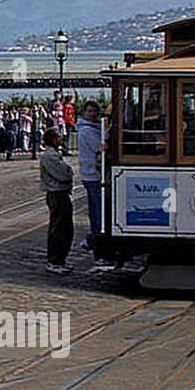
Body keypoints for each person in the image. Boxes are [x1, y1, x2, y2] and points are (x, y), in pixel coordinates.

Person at [75, 100, 112, 266]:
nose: (93, 114)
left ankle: (94, 241)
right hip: (93, 175)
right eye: (89, 111)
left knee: (99, 211)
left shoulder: (95, 127)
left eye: (95, 111)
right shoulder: (86, 131)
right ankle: (95, 244)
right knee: (98, 213)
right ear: (84, 113)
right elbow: (100, 147)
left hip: (95, 175)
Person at [39, 128, 74, 274]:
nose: (61, 140)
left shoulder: (55, 154)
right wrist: (68, 171)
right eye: (58, 137)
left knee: (65, 228)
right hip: (56, 194)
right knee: (59, 228)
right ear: (53, 140)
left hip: (61, 193)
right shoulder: (49, 156)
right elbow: (64, 174)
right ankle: (54, 261)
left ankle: (60, 259)